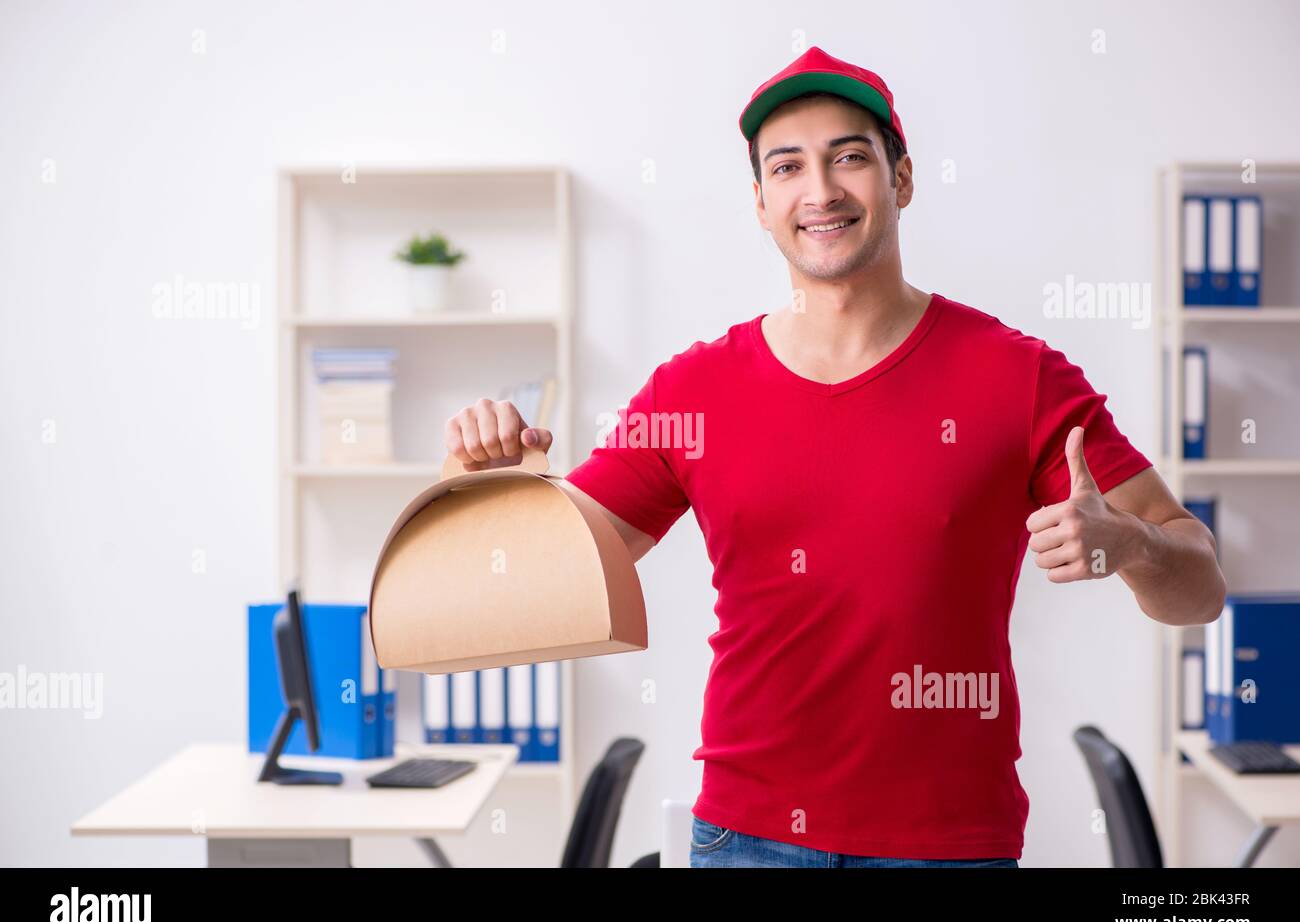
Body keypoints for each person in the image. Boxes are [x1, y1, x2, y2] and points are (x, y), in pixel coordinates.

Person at [443, 46, 1226, 868]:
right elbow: (540, 583)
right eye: (788, 167)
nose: (820, 191)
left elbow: (1200, 589)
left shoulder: (1018, 375)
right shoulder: (694, 392)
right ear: (760, 202)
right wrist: (486, 481)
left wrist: (1133, 545)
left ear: (904, 179)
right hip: (745, 841)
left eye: (849, 156)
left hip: (948, 847)